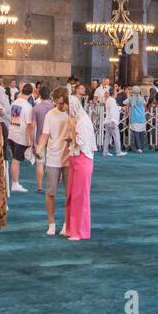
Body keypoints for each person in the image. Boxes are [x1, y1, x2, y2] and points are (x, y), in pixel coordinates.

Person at [36, 88, 70, 236]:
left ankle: (67, 223)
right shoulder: (50, 114)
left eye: (62, 103)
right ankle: (51, 224)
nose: (59, 106)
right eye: (57, 103)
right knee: (50, 192)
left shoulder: (72, 114)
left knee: (69, 193)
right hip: (53, 157)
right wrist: (39, 148)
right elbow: (45, 135)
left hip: (69, 158)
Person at [66, 94, 95, 241]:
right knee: (71, 195)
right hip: (74, 158)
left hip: (82, 159)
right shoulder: (77, 119)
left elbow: (78, 142)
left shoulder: (82, 122)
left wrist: (71, 128)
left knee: (80, 197)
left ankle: (80, 231)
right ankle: (71, 228)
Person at [8, 82, 35, 192]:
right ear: (31, 93)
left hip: (12, 132)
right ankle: (15, 184)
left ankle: (15, 182)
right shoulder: (28, 106)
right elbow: (29, 125)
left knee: (15, 159)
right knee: (16, 160)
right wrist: (30, 141)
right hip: (20, 136)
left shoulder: (15, 102)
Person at [31, 84, 54, 192]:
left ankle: (40, 187)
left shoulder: (36, 108)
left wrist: (31, 141)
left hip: (39, 138)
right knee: (51, 163)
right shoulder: (54, 107)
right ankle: (51, 186)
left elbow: (33, 126)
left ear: (39, 95)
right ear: (49, 95)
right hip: (52, 138)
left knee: (40, 163)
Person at [102, 85, 125, 157]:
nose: (116, 93)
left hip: (108, 121)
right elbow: (112, 111)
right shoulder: (112, 100)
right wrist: (113, 121)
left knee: (107, 137)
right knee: (116, 136)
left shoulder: (109, 100)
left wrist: (121, 108)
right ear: (113, 93)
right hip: (112, 122)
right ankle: (118, 152)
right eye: (115, 92)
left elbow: (114, 108)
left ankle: (105, 152)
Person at [127, 86, 147, 153]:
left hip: (135, 118)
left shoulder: (131, 98)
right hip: (141, 118)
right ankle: (141, 147)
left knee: (136, 133)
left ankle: (138, 148)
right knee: (141, 133)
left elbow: (124, 102)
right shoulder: (142, 98)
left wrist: (129, 97)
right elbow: (145, 103)